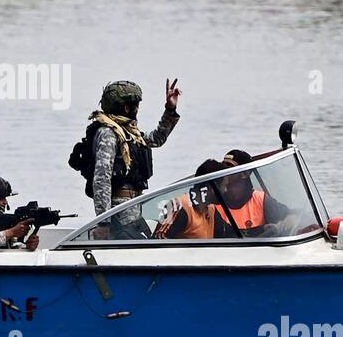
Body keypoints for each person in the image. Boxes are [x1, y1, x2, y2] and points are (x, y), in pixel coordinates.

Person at [72, 79, 181, 239]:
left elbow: (156, 139)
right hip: (118, 212)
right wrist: (104, 222)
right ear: (126, 107)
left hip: (134, 207)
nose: (137, 109)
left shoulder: (129, 132)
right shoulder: (108, 133)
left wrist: (170, 110)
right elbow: (102, 179)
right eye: (135, 105)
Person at [213, 150, 294, 235]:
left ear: (244, 174)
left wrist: (290, 220)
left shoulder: (261, 200)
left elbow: (292, 215)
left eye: (229, 166)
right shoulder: (213, 203)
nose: (222, 169)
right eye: (222, 165)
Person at [155, 159, 231, 240]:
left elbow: (227, 233)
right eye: (225, 186)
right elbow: (158, 240)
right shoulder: (179, 206)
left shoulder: (211, 209)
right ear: (213, 187)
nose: (226, 190)